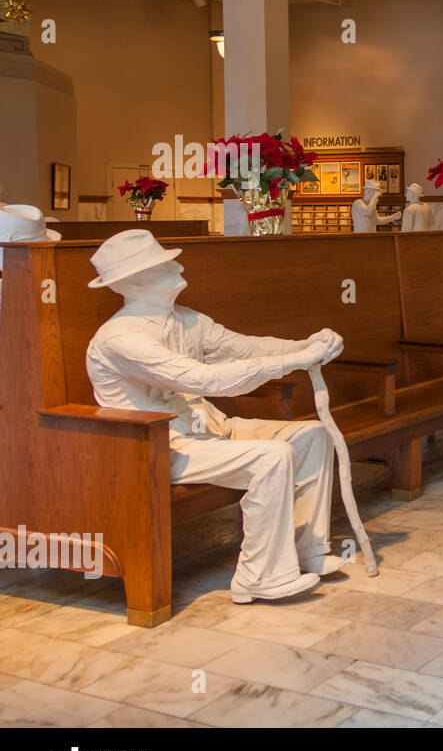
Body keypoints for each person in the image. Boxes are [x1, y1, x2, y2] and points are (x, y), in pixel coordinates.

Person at [84, 230, 346, 603]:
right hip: (159, 446)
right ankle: (257, 577)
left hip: (209, 428)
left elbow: (244, 347)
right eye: (162, 264)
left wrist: (308, 346)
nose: (177, 264)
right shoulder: (120, 338)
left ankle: (309, 549)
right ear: (133, 282)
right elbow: (203, 379)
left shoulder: (186, 320)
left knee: (312, 436)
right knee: (271, 457)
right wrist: (293, 362)